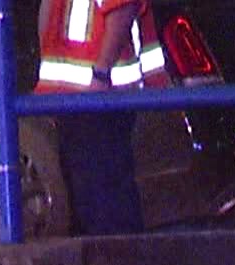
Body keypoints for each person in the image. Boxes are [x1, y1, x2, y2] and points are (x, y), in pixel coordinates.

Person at [35, 0, 170, 236]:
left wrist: (101, 74)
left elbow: (122, 7)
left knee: (104, 202)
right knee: (91, 198)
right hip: (76, 98)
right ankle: (113, 262)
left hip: (98, 98)